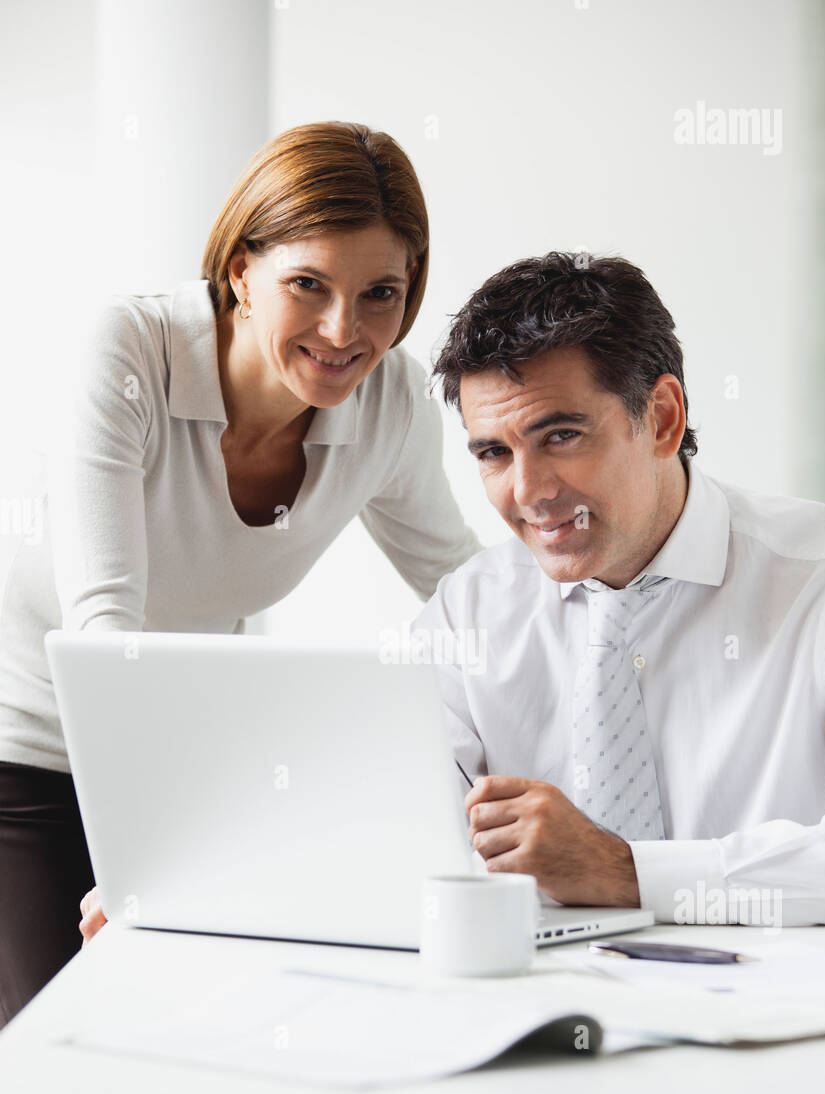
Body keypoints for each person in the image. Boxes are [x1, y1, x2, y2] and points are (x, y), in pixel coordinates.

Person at [0, 122, 481, 1024]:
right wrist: (141, 859)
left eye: (381, 292)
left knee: (200, 1026)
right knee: (49, 1031)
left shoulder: (391, 404)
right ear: (240, 272)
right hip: (21, 752)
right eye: (309, 284)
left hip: (176, 764)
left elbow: (467, 594)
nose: (347, 331)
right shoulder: (130, 351)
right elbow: (109, 624)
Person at [412, 251, 825, 927]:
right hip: (544, 1001)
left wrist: (626, 873)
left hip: (785, 1015)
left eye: (561, 435)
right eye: (494, 453)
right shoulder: (465, 614)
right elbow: (399, 843)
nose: (529, 492)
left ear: (660, 418)